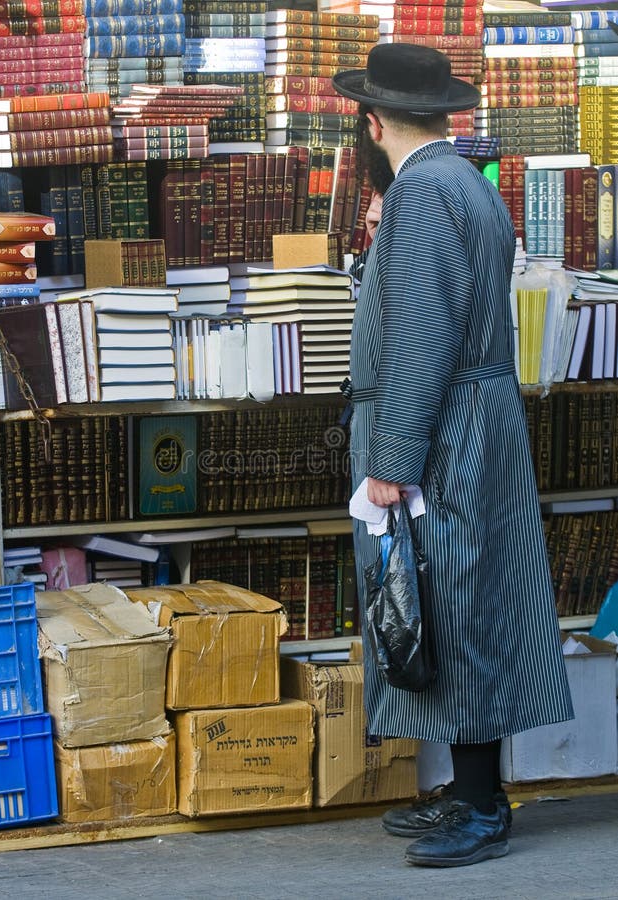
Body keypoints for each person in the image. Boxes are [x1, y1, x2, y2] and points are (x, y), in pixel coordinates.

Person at [332, 42, 574, 868]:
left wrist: (392, 458)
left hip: (444, 428)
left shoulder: (425, 192)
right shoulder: (458, 181)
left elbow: (422, 336)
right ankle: (471, 790)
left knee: (456, 600)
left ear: (372, 121)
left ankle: (480, 804)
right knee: (459, 595)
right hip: (468, 414)